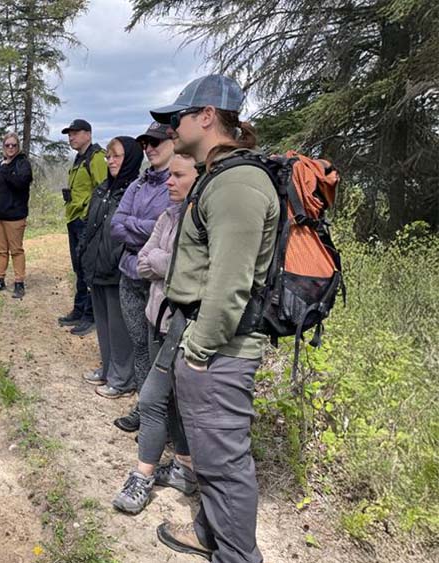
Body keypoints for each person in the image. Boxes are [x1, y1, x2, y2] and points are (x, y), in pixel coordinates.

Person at [150, 75, 278, 563]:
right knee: (211, 457)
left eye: (178, 116)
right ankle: (210, 534)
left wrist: (198, 352)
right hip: (210, 339)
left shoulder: (238, 183)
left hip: (220, 348)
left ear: (207, 117)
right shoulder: (221, 176)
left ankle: (237, 555)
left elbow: (229, 284)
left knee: (224, 464)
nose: (171, 126)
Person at [111, 153, 198, 515]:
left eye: (178, 175)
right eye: (170, 175)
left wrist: (163, 260)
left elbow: (184, 267)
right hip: (157, 316)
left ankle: (142, 477)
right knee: (170, 402)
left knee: (150, 400)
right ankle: (184, 469)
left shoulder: (201, 222)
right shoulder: (167, 215)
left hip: (182, 325)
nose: (169, 182)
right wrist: (164, 260)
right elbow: (147, 261)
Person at [110, 122, 176, 431]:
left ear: (173, 143)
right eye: (146, 143)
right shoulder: (137, 185)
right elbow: (116, 225)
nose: (150, 147)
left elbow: (165, 233)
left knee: (158, 349)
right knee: (139, 344)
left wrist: (136, 228)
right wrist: (146, 227)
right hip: (129, 274)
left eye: (156, 142)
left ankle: (157, 415)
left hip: (157, 282)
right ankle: (143, 408)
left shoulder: (177, 183)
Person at [79, 136, 143, 397]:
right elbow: (91, 227)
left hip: (119, 270)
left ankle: (123, 379)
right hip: (98, 267)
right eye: (108, 156)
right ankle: (108, 369)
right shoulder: (104, 188)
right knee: (104, 324)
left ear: (129, 158)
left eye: (116, 155)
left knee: (120, 329)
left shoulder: (136, 190)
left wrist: (119, 257)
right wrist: (83, 254)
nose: (111, 160)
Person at [59, 119, 108, 335]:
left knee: (88, 269)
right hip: (74, 219)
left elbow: (103, 188)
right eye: (69, 134)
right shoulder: (80, 159)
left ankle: (91, 316)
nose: (71, 137)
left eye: (76, 133)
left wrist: (90, 213)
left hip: (87, 221)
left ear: (88, 134)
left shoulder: (96, 158)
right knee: (79, 268)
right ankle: (79, 310)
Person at [0, 132, 32, 299]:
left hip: (15, 216)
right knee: (1, 251)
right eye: (7, 145)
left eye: (13, 145)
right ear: (3, 147)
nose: (10, 148)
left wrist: (6, 169)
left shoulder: (22, 164)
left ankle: (19, 282)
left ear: (18, 147)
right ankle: (0, 280)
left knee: (16, 250)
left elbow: (20, 183)